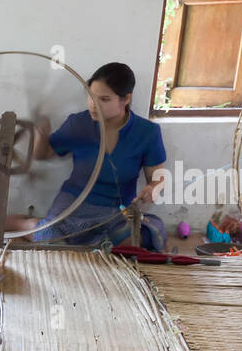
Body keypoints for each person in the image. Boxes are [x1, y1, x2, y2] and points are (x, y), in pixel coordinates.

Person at [32, 62, 168, 251]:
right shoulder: (78, 124)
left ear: (125, 99)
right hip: (74, 204)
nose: (92, 104)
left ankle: (39, 227)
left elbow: (158, 179)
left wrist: (153, 188)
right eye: (90, 96)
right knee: (50, 237)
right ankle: (33, 225)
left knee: (142, 235)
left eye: (104, 99)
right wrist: (41, 132)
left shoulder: (147, 132)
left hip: (117, 211)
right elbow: (42, 155)